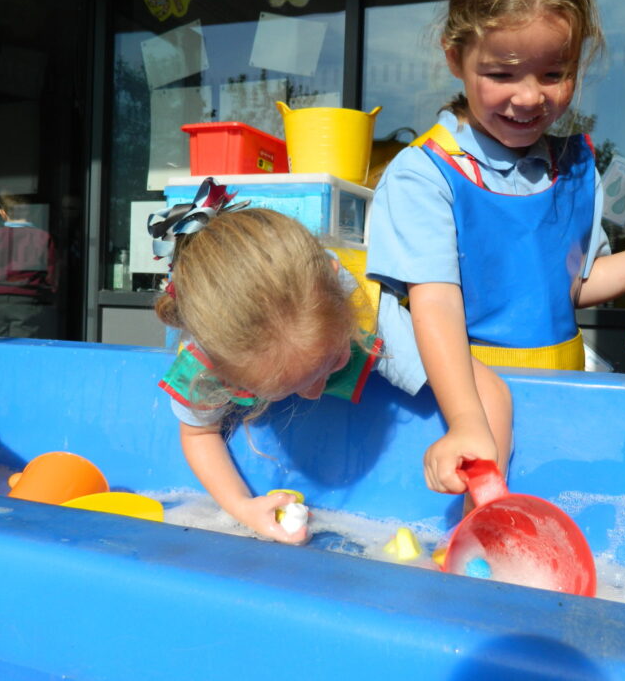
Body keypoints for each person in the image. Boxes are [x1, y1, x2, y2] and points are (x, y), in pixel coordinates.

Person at [366, 0, 625, 497]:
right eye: (502, 73)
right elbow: (434, 301)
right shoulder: (425, 175)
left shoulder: (577, 168)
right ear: (455, 57)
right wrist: (466, 421)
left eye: (555, 72)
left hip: (562, 401)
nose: (530, 97)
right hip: (465, 405)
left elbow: (575, 285)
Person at [148, 178, 424, 544]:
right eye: (287, 389)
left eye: (334, 361)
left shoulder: (372, 313)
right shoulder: (208, 360)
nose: (312, 396)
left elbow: (482, 389)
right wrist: (242, 507)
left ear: (341, 309)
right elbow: (199, 433)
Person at [0, 192, 57, 338]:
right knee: (22, 347)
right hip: (27, 300)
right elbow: (52, 274)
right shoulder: (42, 237)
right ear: (29, 212)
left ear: (2, 213)